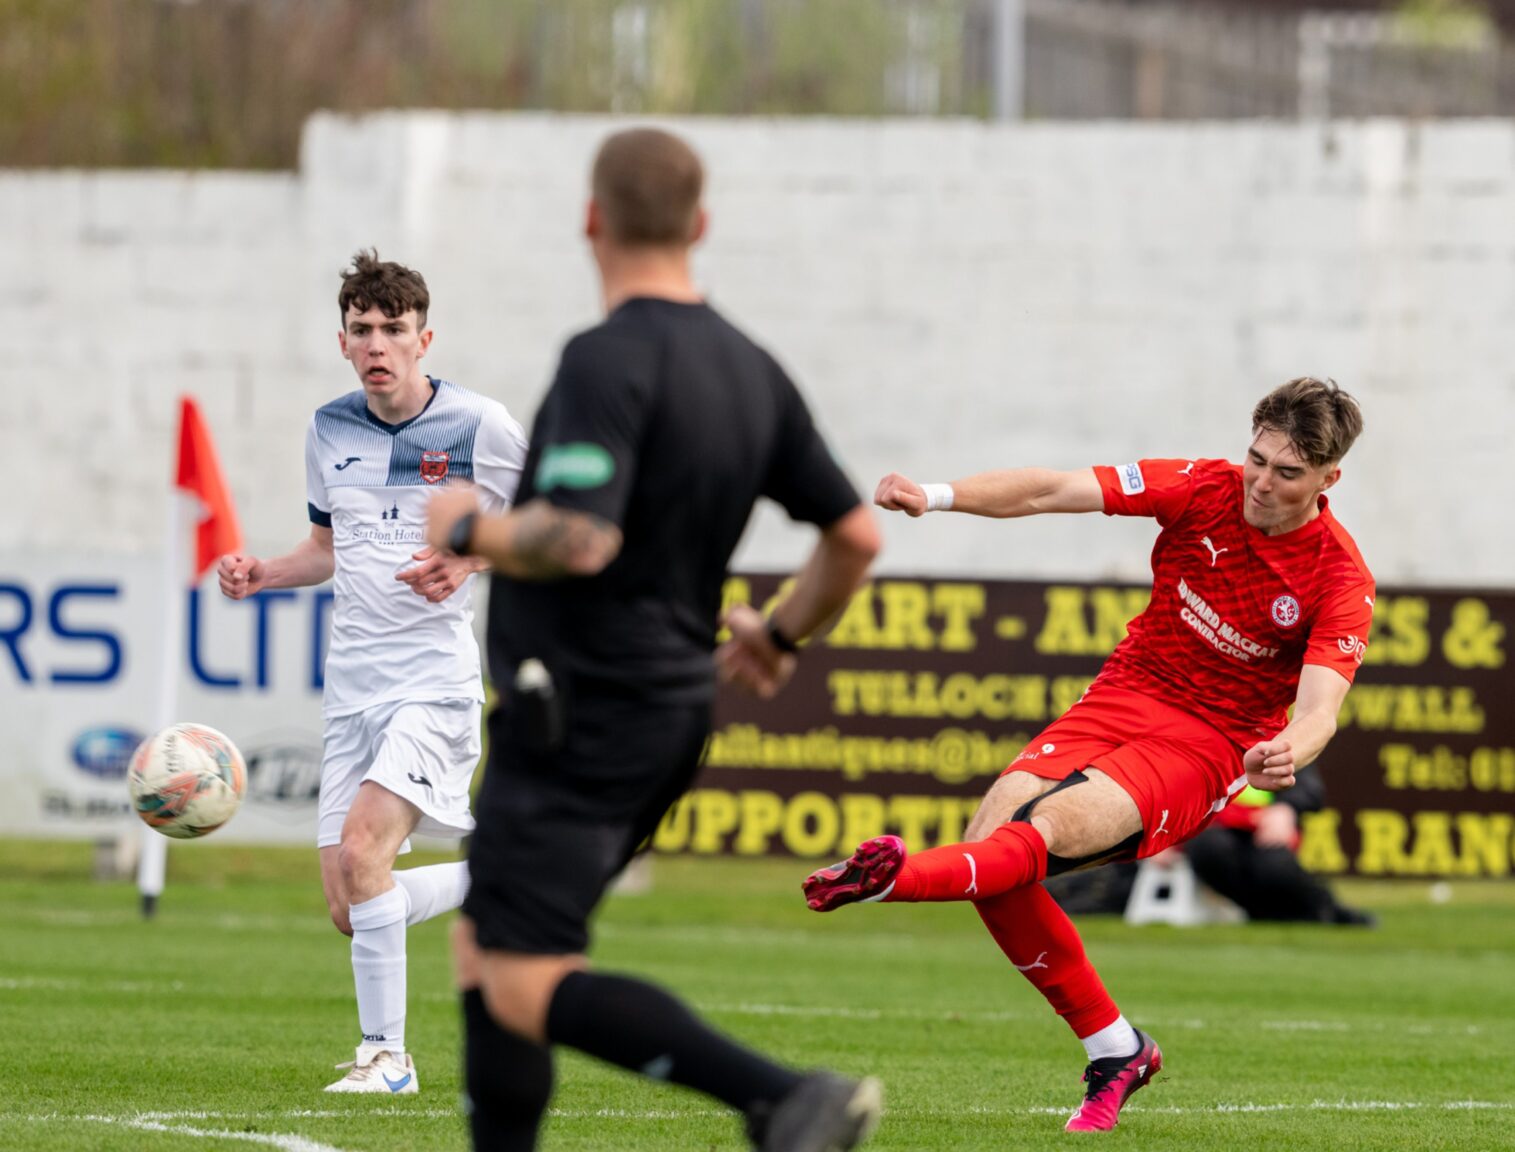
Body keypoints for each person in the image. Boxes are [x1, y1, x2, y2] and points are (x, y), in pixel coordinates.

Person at [424, 126, 884, 1152]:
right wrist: (784, 635)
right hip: (668, 711)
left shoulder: (608, 358)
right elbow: (854, 537)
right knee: (486, 947)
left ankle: (778, 1097)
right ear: (701, 225)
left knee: (522, 975)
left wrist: (468, 527)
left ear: (590, 220)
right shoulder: (750, 368)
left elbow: (578, 536)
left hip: (579, 711)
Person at [803, 378, 1372, 1132]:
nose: (1260, 483)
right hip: (1125, 691)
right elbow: (1050, 491)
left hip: (1209, 741)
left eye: (1286, 472)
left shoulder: (1337, 576)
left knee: (1041, 834)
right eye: (1256, 459)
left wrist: (1283, 752)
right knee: (990, 846)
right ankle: (1116, 1047)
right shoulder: (1201, 486)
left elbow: (1319, 709)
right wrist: (934, 495)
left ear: (1328, 478)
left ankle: (892, 878)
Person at [218, 251, 528, 1094]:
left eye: (394, 330)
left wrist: (467, 564)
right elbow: (324, 549)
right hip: (350, 690)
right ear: (344, 343)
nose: (378, 343)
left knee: (365, 855)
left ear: (424, 338)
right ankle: (514, 869)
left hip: (431, 684)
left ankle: (386, 1059)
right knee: (350, 906)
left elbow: (547, 527)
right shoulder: (328, 428)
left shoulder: (480, 426)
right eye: (363, 330)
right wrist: (262, 574)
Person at [1181, 765, 1375, 926]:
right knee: (1209, 848)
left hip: (1267, 827)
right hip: (1214, 826)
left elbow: (1310, 787)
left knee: (1273, 865)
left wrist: (1287, 807)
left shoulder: (1279, 735)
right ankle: (1263, 913)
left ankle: (1325, 910)